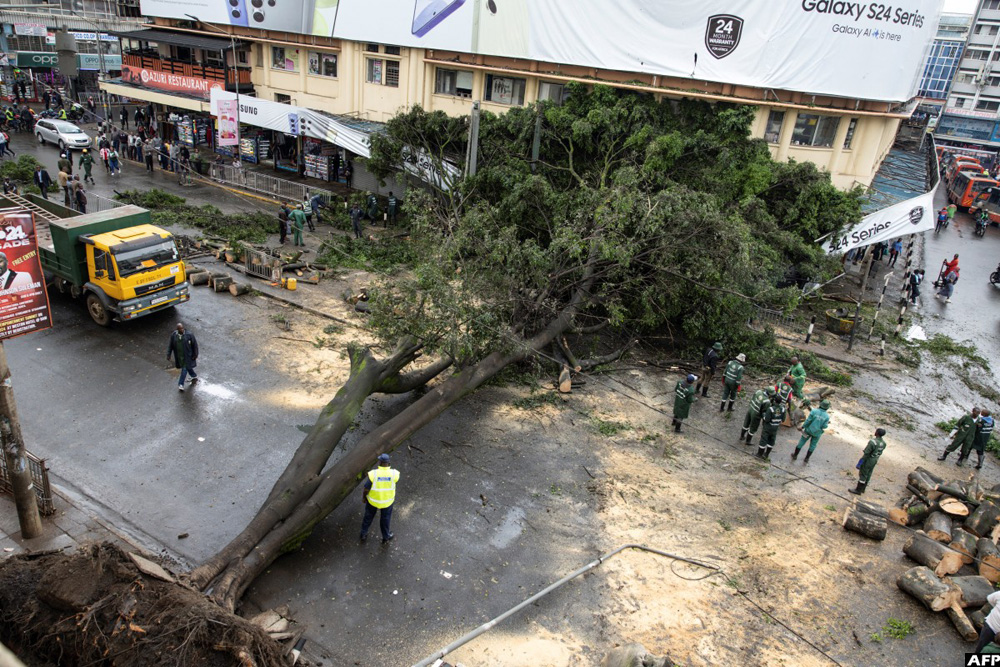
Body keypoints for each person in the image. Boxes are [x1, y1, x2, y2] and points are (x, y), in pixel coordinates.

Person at [359, 453, 399, 544]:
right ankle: (386, 537)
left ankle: (363, 534)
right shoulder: (394, 473)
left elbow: (366, 488)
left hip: (373, 501)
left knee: (368, 517)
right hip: (387, 502)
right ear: (388, 463)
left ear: (380, 462)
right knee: (385, 520)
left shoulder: (374, 474)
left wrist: (364, 498)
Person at [850, 428, 887, 495]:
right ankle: (863, 489)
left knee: (863, 473)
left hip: (869, 459)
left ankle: (858, 490)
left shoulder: (873, 442)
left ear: (877, 433)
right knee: (869, 473)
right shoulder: (883, 443)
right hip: (875, 459)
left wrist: (860, 463)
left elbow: (866, 453)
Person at [792, 399, 831, 463]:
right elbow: (824, 426)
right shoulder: (827, 416)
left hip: (808, 430)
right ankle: (806, 459)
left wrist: (802, 427)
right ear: (827, 407)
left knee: (801, 442)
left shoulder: (814, 411)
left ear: (820, 405)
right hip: (817, 433)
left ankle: (795, 455)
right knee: (813, 445)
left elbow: (808, 421)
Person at [166, 323, 199, 391]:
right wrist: (168, 354)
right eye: (180, 329)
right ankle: (193, 375)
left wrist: (195, 354)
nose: (182, 330)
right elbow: (170, 346)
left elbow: (194, 345)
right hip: (179, 356)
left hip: (187, 356)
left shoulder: (189, 335)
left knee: (184, 368)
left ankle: (181, 384)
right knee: (187, 367)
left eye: (182, 328)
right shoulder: (174, 335)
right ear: (177, 329)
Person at [756, 396, 785, 460]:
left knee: (763, 440)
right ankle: (766, 454)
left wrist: (763, 415)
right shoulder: (783, 409)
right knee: (771, 440)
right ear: (781, 402)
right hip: (775, 428)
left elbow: (767, 420)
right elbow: (783, 419)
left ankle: (759, 454)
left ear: (774, 401)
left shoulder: (770, 409)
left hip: (768, 427)